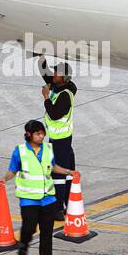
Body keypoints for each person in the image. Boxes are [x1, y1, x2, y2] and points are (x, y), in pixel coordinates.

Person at [0, 119, 75, 255]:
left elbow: (53, 167)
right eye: (38, 134)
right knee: (29, 227)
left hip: (48, 198)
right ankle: (23, 246)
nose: (41, 137)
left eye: (42, 134)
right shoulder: (20, 151)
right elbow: (13, 170)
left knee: (47, 232)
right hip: (28, 198)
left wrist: (68, 172)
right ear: (29, 135)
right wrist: (4, 179)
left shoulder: (48, 149)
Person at [41, 61, 78, 215]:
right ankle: (70, 204)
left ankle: (58, 209)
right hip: (63, 140)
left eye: (57, 73)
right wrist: (41, 58)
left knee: (58, 174)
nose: (53, 75)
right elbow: (46, 75)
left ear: (64, 77)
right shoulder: (63, 87)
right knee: (68, 173)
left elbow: (55, 115)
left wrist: (46, 98)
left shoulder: (64, 96)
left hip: (60, 141)